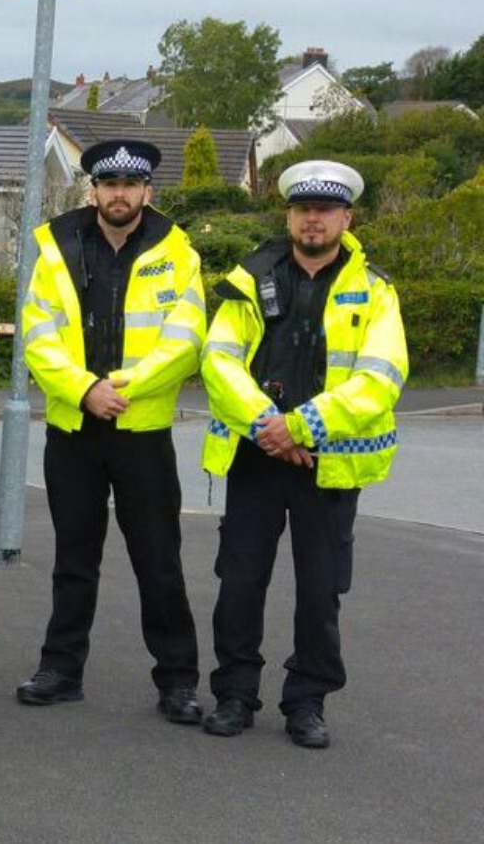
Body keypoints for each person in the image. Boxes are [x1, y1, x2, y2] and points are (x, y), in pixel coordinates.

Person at [200, 160, 407, 749]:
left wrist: (300, 427)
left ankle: (307, 702)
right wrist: (267, 426)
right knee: (240, 584)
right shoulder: (248, 280)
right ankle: (235, 694)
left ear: (347, 218)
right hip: (256, 456)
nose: (312, 219)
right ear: (289, 216)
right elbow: (218, 361)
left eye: (324, 210)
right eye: (302, 209)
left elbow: (381, 378)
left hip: (329, 462)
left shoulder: (376, 291)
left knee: (320, 591)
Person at [15, 139, 206, 724]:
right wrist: (83, 390)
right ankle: (60, 670)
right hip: (75, 429)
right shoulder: (57, 250)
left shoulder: (178, 254)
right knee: (74, 560)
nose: (119, 194)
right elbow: (38, 335)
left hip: (141, 431)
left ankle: (178, 681)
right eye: (109, 184)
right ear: (93, 189)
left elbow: (185, 340)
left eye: (130, 185)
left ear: (147, 190)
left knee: (159, 562)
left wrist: (121, 388)